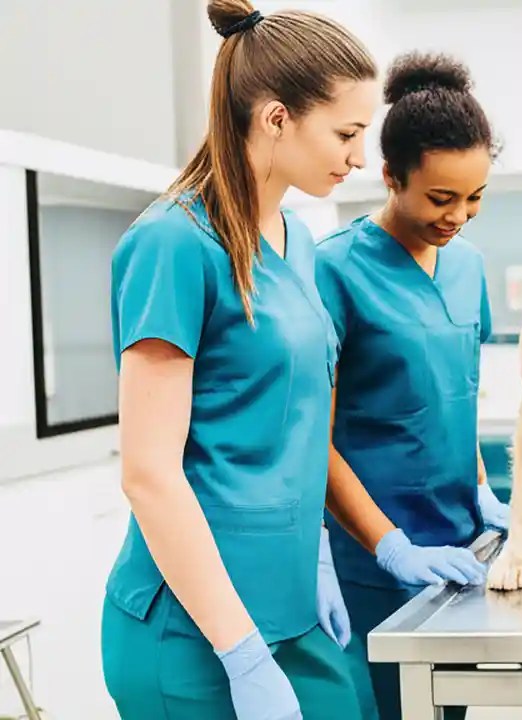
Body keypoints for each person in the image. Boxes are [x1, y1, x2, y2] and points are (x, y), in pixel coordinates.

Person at [100, 2, 379, 718]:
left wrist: (316, 551)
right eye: (346, 134)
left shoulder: (299, 241)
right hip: (197, 631)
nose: (357, 157)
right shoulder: (173, 244)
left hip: (289, 602)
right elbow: (149, 474)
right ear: (276, 118)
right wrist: (241, 655)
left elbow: (295, 420)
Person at [315, 51, 506, 720]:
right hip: (374, 561)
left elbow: (459, 395)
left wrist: (482, 490)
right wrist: (387, 545)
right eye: (441, 198)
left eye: (475, 197)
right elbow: (316, 439)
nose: (459, 215)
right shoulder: (332, 272)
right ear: (391, 177)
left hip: (461, 545)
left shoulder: (469, 266)